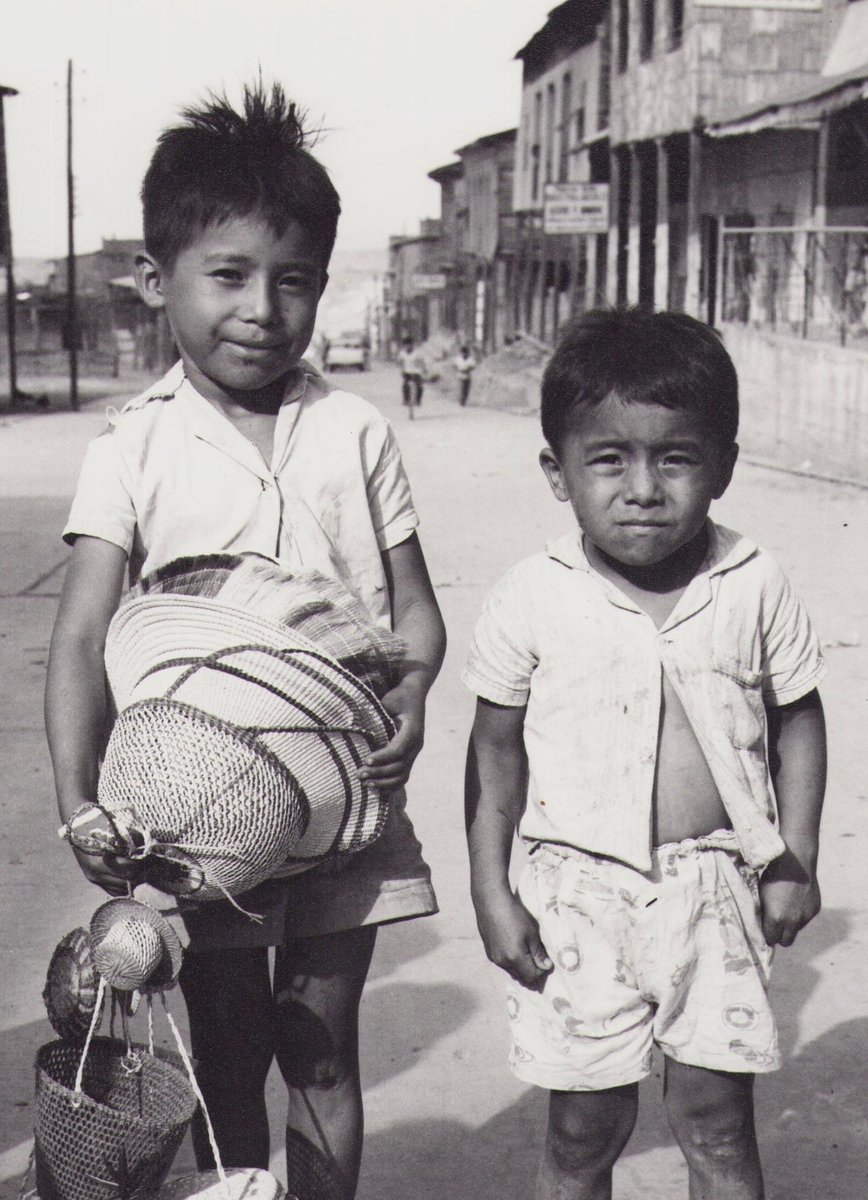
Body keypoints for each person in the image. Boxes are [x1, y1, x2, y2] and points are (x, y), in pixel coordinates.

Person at [44, 82, 446, 1200]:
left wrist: (412, 695)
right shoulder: (134, 446)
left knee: (321, 1043)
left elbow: (414, 608)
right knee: (227, 1052)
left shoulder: (355, 431)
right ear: (153, 281)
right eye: (227, 275)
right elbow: (81, 639)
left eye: (295, 280)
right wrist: (81, 797)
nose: (263, 308)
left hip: (347, 803)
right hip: (193, 815)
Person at [463, 308, 826, 1200]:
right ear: (558, 471)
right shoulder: (531, 597)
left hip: (715, 891)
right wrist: (490, 889)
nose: (642, 488)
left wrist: (796, 858)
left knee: (716, 1123)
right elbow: (494, 758)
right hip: (576, 897)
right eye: (609, 459)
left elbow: (799, 723)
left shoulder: (752, 582)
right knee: (586, 1129)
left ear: (724, 465)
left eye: (675, 457)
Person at [397, 337, 425, 415]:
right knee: (405, 385)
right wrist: (401, 369)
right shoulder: (402, 354)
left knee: (420, 386)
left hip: (416, 372)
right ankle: (406, 399)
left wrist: (423, 369)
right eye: (406, 345)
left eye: (410, 344)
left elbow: (422, 362)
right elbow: (399, 362)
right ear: (404, 345)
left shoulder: (417, 353)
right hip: (407, 372)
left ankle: (418, 400)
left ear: (412, 345)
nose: (408, 346)